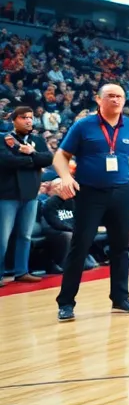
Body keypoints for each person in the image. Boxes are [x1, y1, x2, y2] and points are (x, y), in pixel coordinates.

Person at [53, 84, 129, 321]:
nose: (116, 99)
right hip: (90, 194)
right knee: (80, 246)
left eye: (120, 96)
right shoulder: (83, 125)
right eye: (110, 96)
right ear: (99, 99)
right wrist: (66, 176)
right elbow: (61, 156)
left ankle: (120, 298)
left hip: (121, 193)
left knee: (121, 248)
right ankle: (66, 302)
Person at [0, 106, 53, 285]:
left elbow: (48, 159)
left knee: (25, 235)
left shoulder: (37, 139)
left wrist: (32, 153)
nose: (28, 120)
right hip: (7, 194)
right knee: (2, 237)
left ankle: (21, 271)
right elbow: (7, 161)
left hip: (31, 194)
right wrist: (33, 161)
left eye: (30, 117)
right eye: (23, 117)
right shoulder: (3, 138)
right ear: (13, 120)